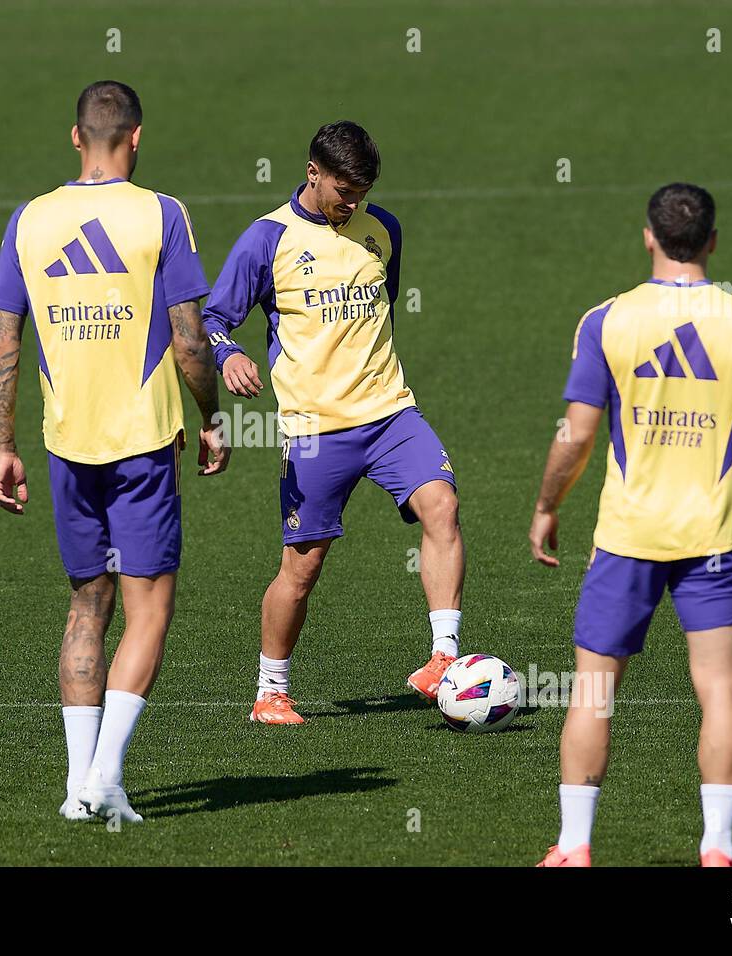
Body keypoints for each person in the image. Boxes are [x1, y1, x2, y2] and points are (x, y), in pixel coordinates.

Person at [529, 183, 732, 866]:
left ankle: (574, 846)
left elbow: (577, 432)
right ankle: (717, 847)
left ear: (648, 237)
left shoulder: (608, 320)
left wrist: (547, 504)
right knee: (718, 690)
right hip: (714, 539)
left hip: (626, 539)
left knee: (594, 690)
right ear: (712, 242)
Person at [0, 81, 228, 823]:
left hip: (66, 444)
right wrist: (212, 415)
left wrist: (3, 445)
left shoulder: (30, 219)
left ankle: (74, 787)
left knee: (86, 607)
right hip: (142, 442)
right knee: (149, 608)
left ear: (74, 137)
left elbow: (4, 342)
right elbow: (189, 339)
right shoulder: (161, 212)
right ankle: (106, 776)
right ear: (136, 136)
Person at [202, 121, 464, 725]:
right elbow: (215, 317)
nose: (352, 202)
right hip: (316, 428)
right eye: (343, 190)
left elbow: (383, 307)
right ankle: (271, 690)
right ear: (312, 172)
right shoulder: (267, 240)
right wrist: (230, 353)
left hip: (391, 411)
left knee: (443, 507)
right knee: (304, 564)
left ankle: (444, 659)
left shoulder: (384, 230)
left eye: (362, 191)